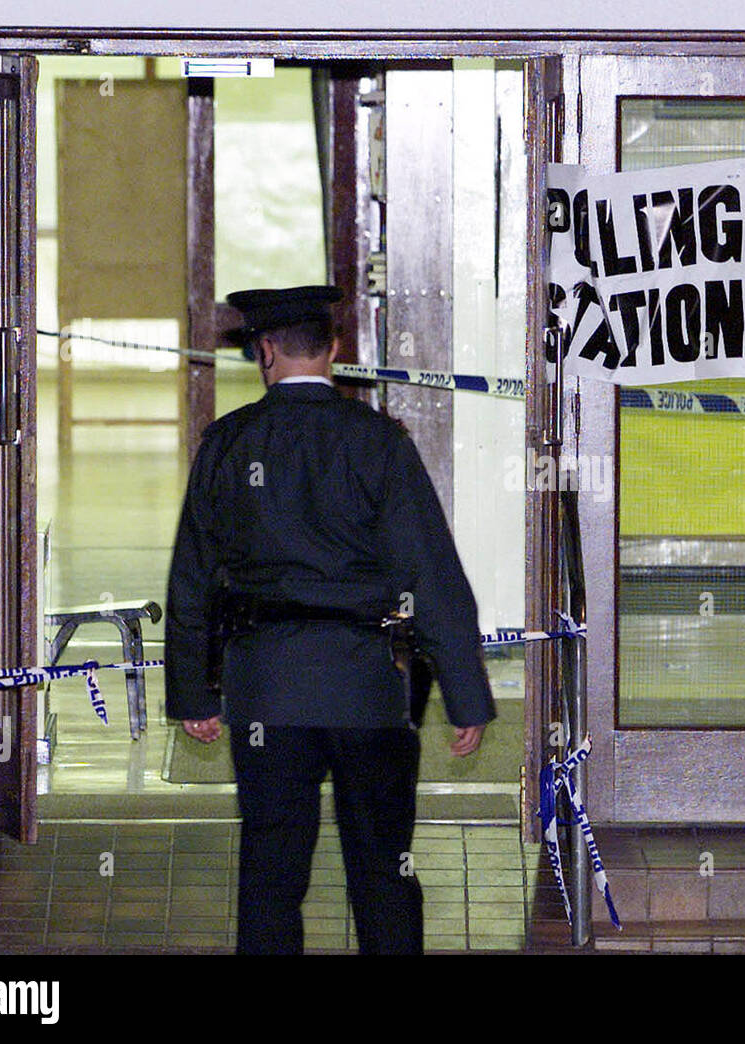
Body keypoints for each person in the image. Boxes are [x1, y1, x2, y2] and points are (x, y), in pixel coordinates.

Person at [163, 285, 495, 955]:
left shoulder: (227, 446)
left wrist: (194, 693)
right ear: (336, 351)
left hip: (266, 691)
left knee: (271, 871)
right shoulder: (379, 443)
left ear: (264, 353)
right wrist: (467, 695)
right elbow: (430, 573)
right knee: (383, 868)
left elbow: (191, 580)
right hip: (370, 688)